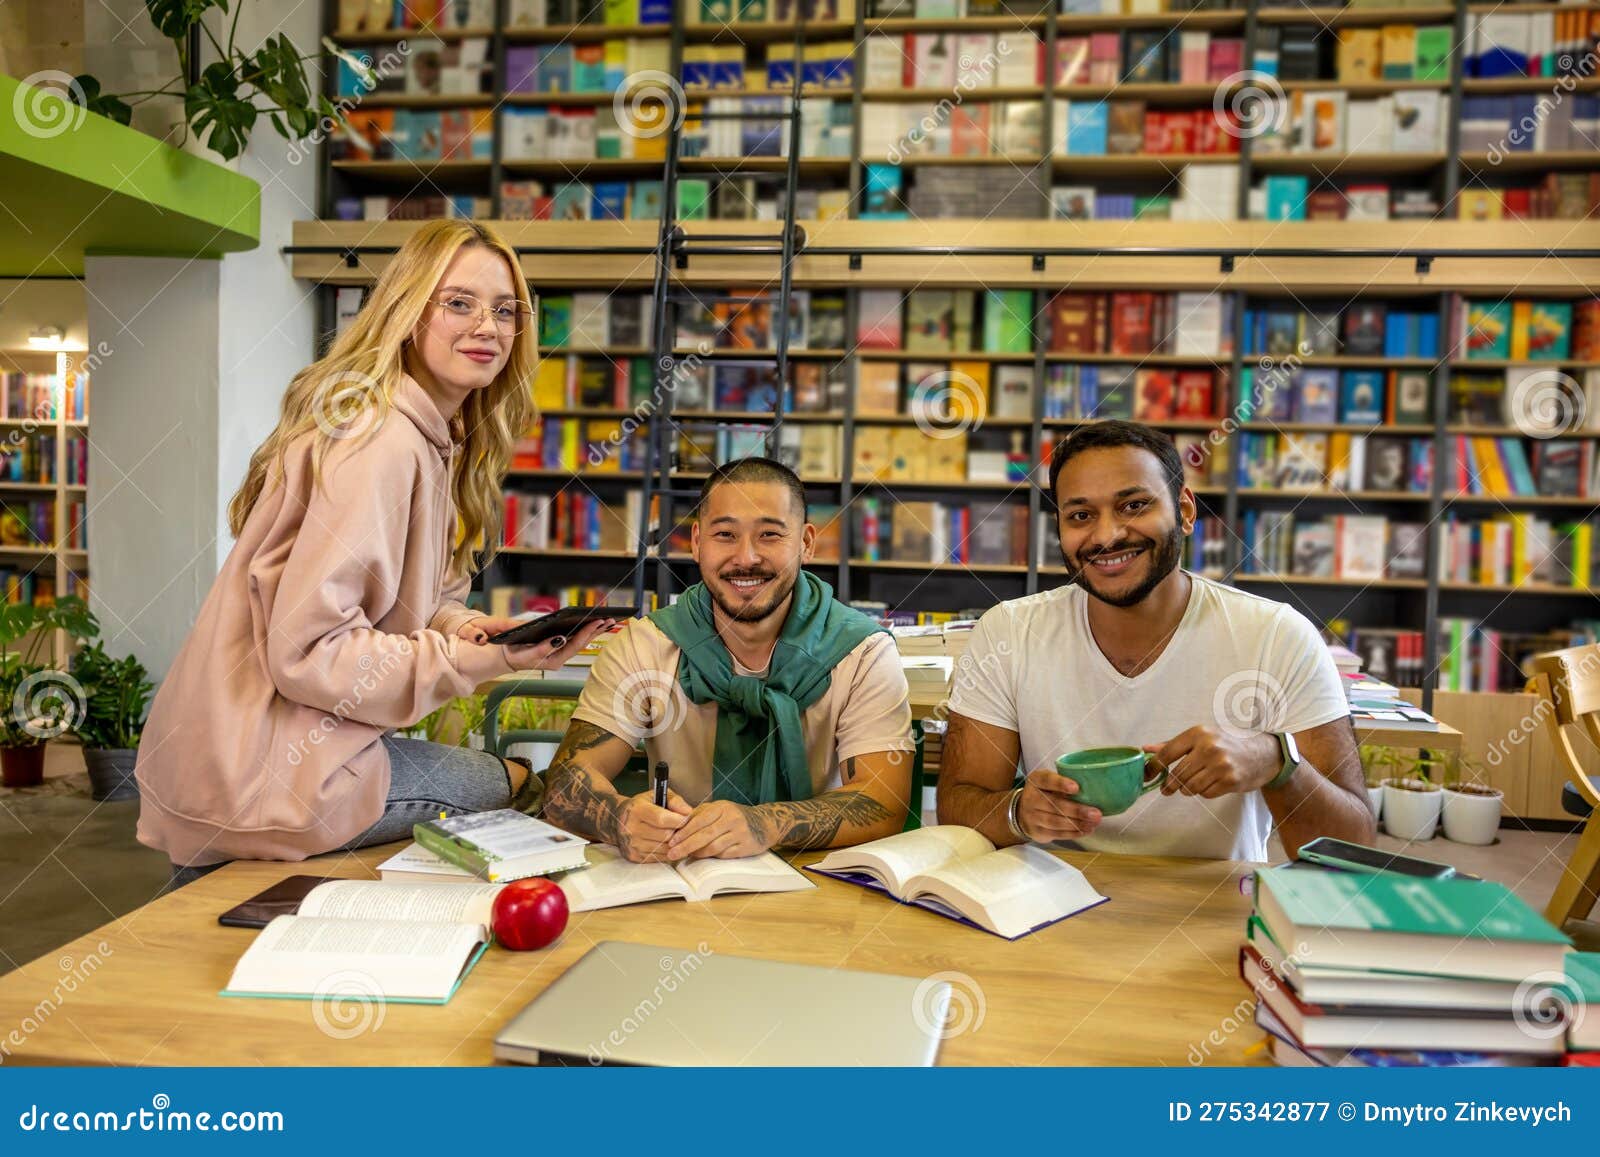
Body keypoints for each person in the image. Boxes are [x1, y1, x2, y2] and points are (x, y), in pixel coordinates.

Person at [136, 220, 613, 885]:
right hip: (265, 768)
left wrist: (464, 628)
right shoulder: (384, 442)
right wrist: (489, 659)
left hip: (231, 754)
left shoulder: (427, 435)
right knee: (510, 782)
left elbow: (406, 603)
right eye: (459, 303)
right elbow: (311, 651)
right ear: (409, 312)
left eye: (506, 311)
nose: (489, 326)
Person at [938, 420, 1375, 862]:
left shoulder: (1278, 636)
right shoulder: (1008, 632)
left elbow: (1352, 849)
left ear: (1185, 512)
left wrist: (1278, 763)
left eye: (1133, 505)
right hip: (1051, 903)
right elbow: (957, 808)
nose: (1107, 536)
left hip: (1215, 908)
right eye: (1081, 516)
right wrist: (1017, 812)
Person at [542, 458, 915, 862]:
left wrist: (764, 824)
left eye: (770, 534)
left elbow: (884, 800)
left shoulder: (863, 651)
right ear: (697, 542)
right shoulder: (644, 643)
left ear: (806, 543)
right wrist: (618, 817)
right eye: (725, 534)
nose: (746, 557)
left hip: (816, 877)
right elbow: (564, 784)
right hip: (675, 876)